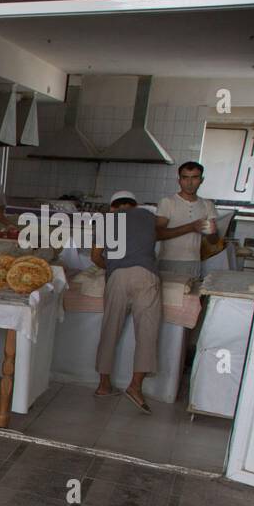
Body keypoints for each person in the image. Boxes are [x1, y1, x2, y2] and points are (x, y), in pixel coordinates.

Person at [92, 191, 162, 414]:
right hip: (146, 275)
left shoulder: (106, 220)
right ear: (135, 205)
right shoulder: (148, 217)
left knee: (110, 328)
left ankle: (103, 385)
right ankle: (135, 387)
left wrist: (113, 266)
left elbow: (95, 256)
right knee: (147, 332)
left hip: (117, 278)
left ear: (113, 207)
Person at [155, 161, 222, 278]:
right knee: (169, 296)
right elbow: (158, 233)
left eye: (195, 178)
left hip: (194, 262)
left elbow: (213, 241)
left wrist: (212, 233)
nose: (189, 183)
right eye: (185, 178)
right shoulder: (167, 202)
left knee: (190, 295)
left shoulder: (207, 205)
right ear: (179, 180)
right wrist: (191, 227)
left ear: (202, 180)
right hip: (168, 261)